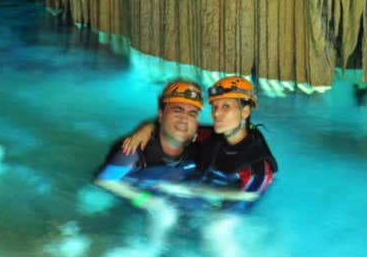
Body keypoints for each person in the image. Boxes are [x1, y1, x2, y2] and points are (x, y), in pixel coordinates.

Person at [122, 75, 277, 207]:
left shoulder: (258, 166)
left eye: (226, 107)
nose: (216, 114)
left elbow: (246, 200)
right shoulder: (211, 136)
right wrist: (148, 127)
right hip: (198, 189)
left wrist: (199, 195)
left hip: (223, 206)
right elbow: (178, 128)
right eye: (214, 107)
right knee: (149, 183)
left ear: (245, 111)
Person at [94, 79, 204, 210]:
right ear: (161, 114)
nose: (184, 119)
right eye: (177, 110)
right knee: (92, 202)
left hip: (159, 189)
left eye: (192, 114)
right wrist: (148, 201)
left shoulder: (197, 150)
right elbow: (104, 182)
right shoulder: (135, 148)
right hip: (124, 198)